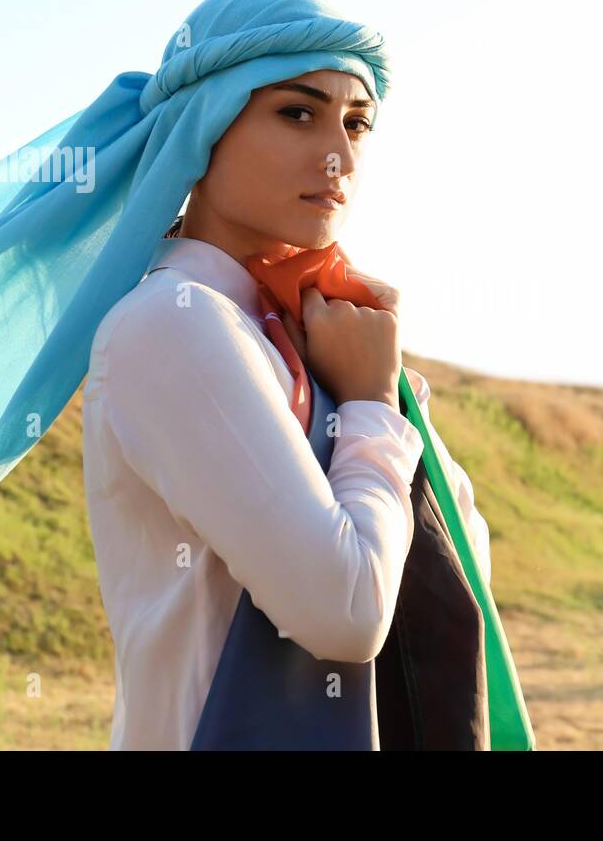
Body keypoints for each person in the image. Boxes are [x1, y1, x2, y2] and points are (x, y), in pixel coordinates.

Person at [83, 67, 491, 750]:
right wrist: (366, 403)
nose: (341, 155)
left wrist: (386, 388)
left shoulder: (305, 334)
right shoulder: (170, 322)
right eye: (298, 113)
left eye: (357, 122)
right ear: (203, 127)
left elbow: (462, 565)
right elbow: (347, 612)